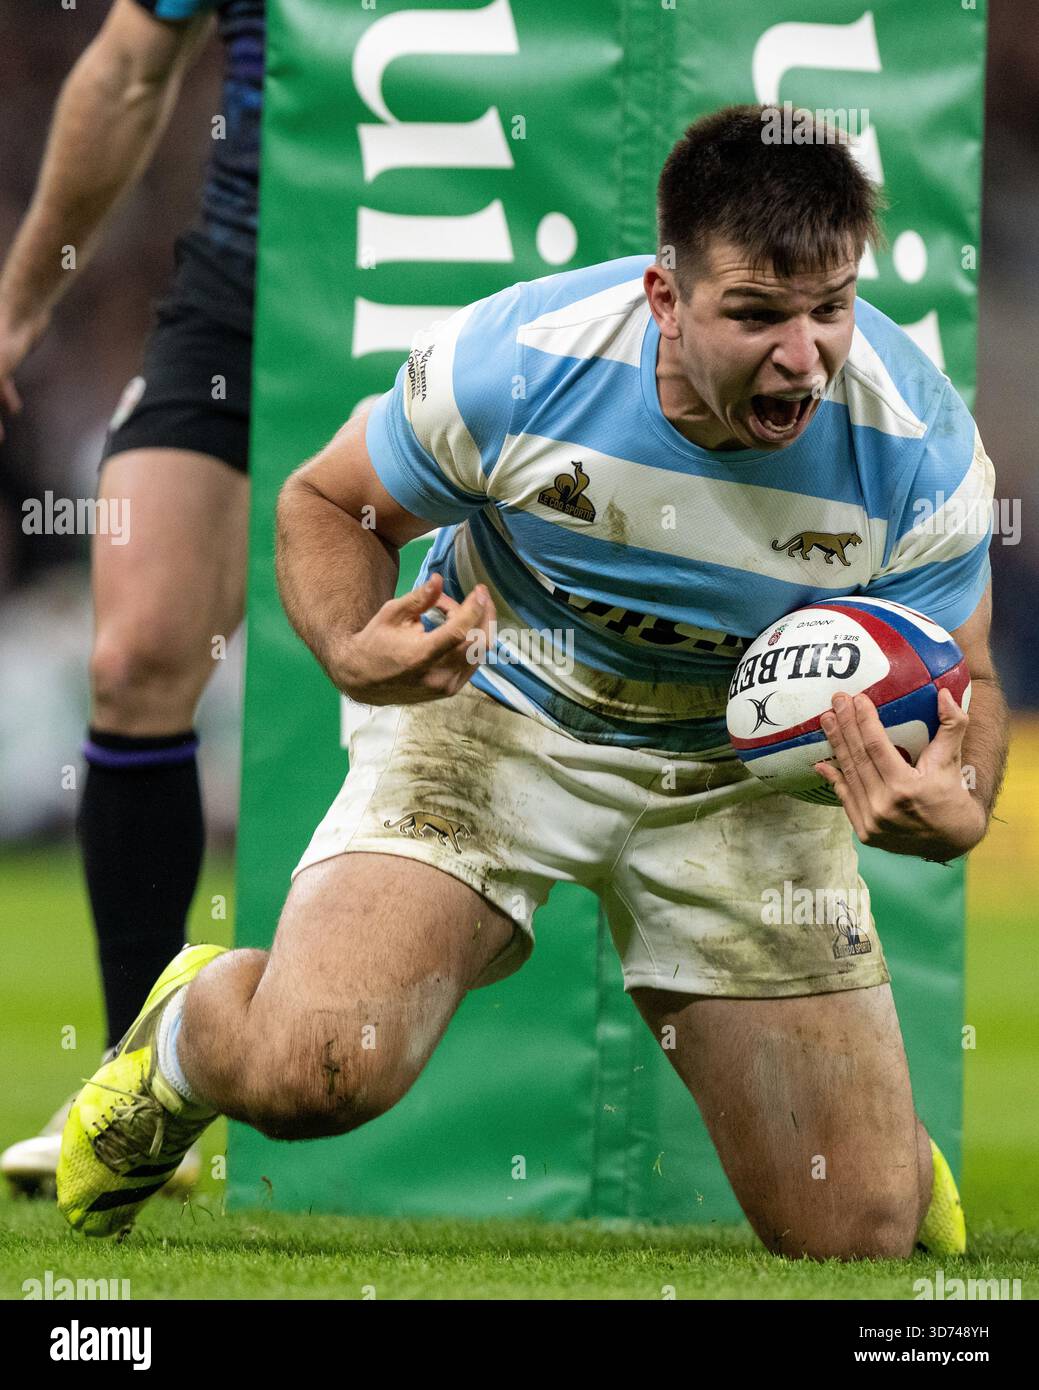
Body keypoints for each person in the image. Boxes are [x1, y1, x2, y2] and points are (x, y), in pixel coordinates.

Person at [58, 106, 1005, 1258]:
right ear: (665, 298)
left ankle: (879, 1158)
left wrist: (960, 803)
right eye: (755, 314)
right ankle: (186, 1035)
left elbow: (974, 679)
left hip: (739, 777)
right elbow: (328, 499)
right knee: (317, 1073)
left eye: (831, 309)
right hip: (498, 712)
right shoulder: (519, 359)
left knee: (853, 1236)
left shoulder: (918, 441)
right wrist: (352, 644)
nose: (802, 356)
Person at [0, 0, 262, 1194]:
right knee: (137, 656)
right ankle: (135, 1098)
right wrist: (24, 290)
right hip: (250, 275)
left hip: (461, 269)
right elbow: (126, 67)